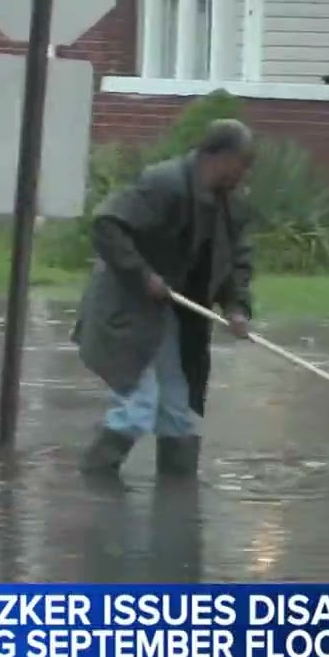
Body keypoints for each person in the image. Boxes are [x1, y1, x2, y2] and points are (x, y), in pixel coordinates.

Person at [71, 118, 256, 482]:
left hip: (174, 316)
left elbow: (235, 263)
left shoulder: (231, 206)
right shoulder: (164, 183)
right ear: (217, 156)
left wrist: (237, 307)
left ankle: (178, 501)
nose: (245, 173)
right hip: (127, 309)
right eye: (243, 162)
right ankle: (93, 492)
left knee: (178, 408)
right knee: (139, 406)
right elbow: (107, 225)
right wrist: (143, 275)